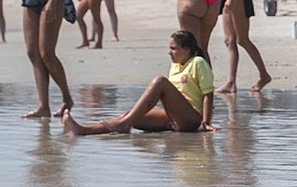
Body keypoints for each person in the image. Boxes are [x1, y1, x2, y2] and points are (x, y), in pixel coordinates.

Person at [62, 30, 215, 136]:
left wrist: (206, 122)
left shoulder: (198, 62)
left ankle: (125, 124)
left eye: (173, 49)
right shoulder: (175, 66)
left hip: (191, 119)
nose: (169, 52)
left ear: (187, 49)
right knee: (128, 115)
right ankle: (84, 130)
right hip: (172, 117)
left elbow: (208, 94)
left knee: (160, 81)